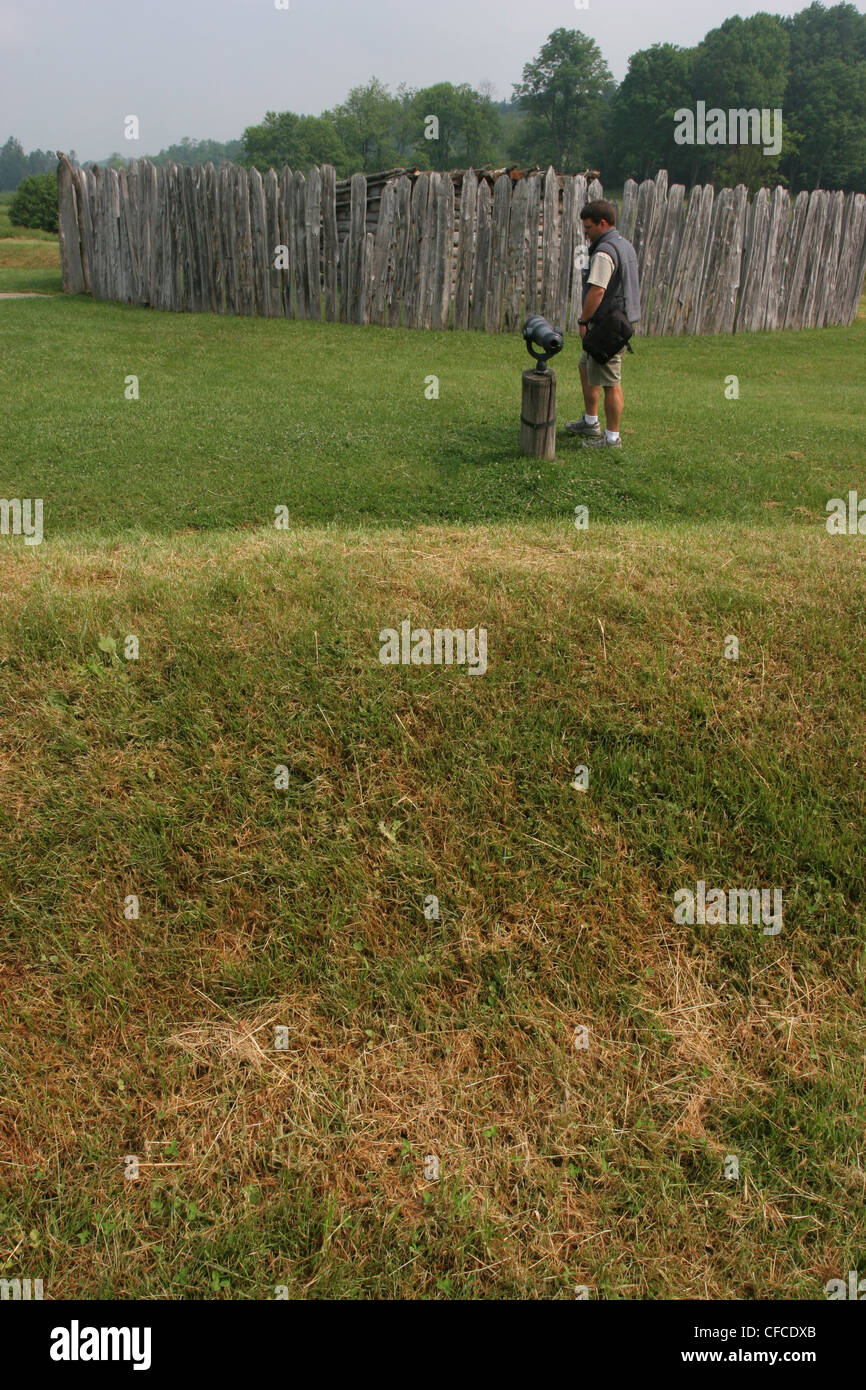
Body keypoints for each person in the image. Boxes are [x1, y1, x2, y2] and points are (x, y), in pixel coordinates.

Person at [566, 199, 641, 449]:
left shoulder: (604, 252)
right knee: (586, 367)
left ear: (603, 223)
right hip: (617, 321)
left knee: (610, 382)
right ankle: (590, 422)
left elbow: (597, 291)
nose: (585, 233)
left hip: (607, 326)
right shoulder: (624, 245)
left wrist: (583, 320)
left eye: (588, 228)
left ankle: (611, 438)